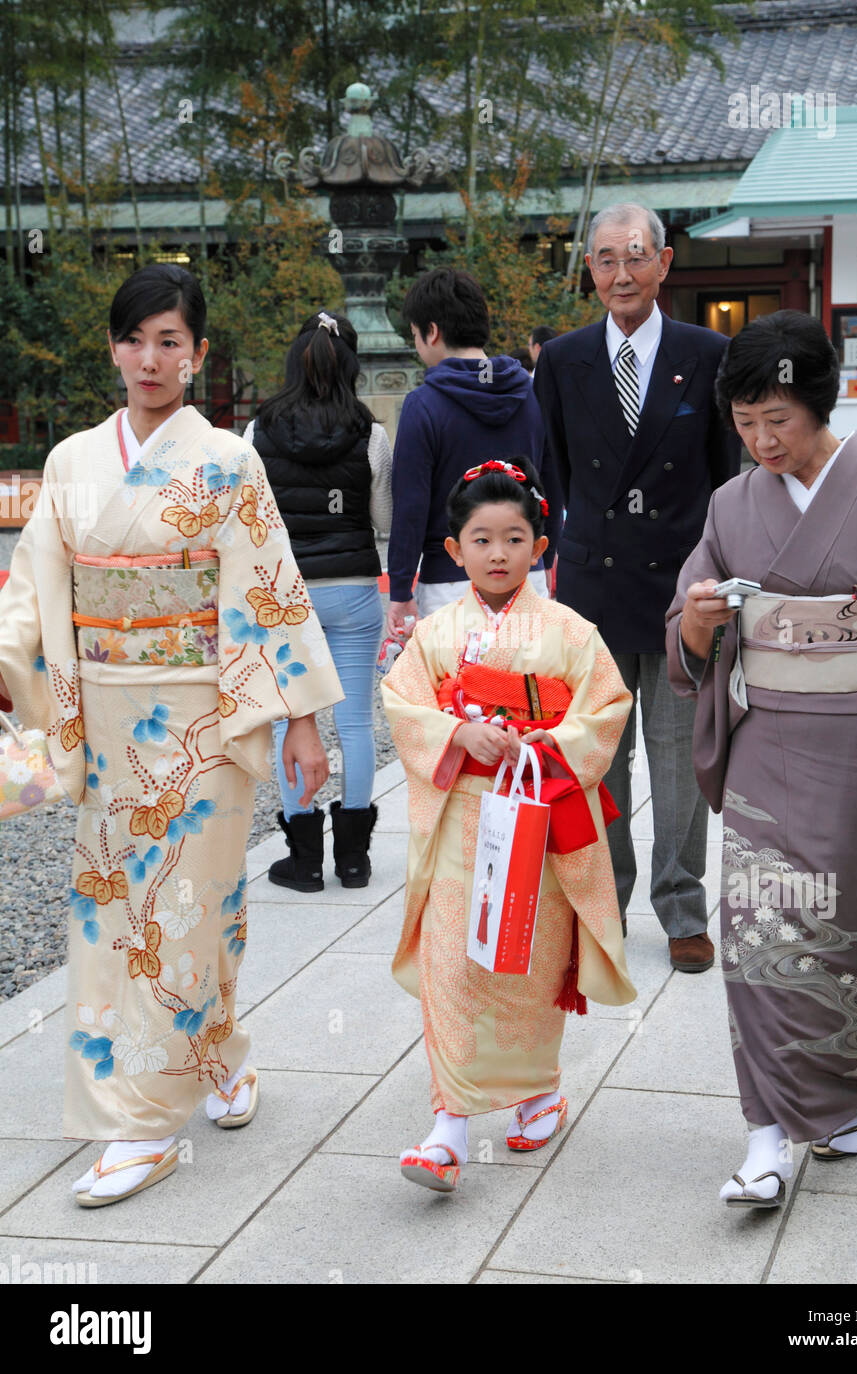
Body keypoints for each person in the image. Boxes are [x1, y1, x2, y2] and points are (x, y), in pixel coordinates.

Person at [0, 264, 343, 1207]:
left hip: (201, 717)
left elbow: (269, 595)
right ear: (112, 347)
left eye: (169, 342)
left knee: (187, 904)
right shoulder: (72, 460)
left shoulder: (229, 461)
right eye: (134, 339)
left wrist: (303, 724)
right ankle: (221, 1054)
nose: (149, 359)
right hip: (105, 716)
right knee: (119, 910)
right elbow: (33, 588)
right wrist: (5, 657)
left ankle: (144, 1125)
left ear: (197, 357)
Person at [665, 310, 857, 1208]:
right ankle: (763, 1136)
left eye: (778, 421)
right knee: (757, 940)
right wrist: (695, 621)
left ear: (818, 405)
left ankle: (851, 1102)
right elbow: (689, 621)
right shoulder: (730, 506)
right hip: (765, 752)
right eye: (745, 422)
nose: (761, 441)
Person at [381, 456, 635, 1193]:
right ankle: (448, 1129)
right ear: (453, 550)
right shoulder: (435, 633)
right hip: (463, 814)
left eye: (514, 538)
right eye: (481, 539)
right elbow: (405, 705)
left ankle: (538, 1089)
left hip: (538, 813)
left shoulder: (569, 630)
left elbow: (607, 706)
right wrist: (457, 736)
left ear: (540, 547)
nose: (498, 553)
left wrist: (549, 741)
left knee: (525, 962)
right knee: (454, 964)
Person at [533, 202, 740, 963]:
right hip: (593, 587)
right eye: (605, 259)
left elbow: (727, 479)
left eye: (634, 256)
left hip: (683, 588)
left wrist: (717, 575)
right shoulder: (561, 359)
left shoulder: (707, 353)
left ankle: (682, 906)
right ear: (589, 270)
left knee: (682, 754)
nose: (620, 273)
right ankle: (603, 902)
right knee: (601, 757)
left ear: (663, 264)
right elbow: (552, 470)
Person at [244, 310, 391, 891]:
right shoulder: (370, 433)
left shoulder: (257, 431)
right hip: (353, 588)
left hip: (285, 595)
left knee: (288, 722)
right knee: (354, 721)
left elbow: (249, 519)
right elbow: (382, 518)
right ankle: (353, 860)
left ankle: (304, 858)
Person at [386, 269, 562, 641]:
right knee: (526, 693)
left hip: (449, 579)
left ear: (431, 332)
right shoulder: (532, 396)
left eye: (415, 334)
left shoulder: (424, 405)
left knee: (457, 696)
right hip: (523, 572)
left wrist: (401, 589)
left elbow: (411, 504)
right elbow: (551, 484)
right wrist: (547, 557)